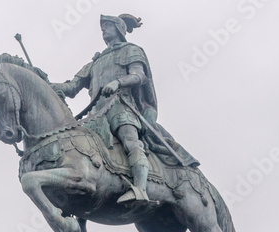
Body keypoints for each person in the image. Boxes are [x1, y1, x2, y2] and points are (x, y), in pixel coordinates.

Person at [52, 13, 196, 205]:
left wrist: (117, 83)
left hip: (122, 107)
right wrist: (45, 85)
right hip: (96, 116)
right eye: (102, 28)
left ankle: (140, 189)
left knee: (131, 142)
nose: (103, 31)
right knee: (79, 152)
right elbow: (71, 88)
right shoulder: (94, 62)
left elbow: (139, 76)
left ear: (119, 29)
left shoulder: (131, 50)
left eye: (107, 27)